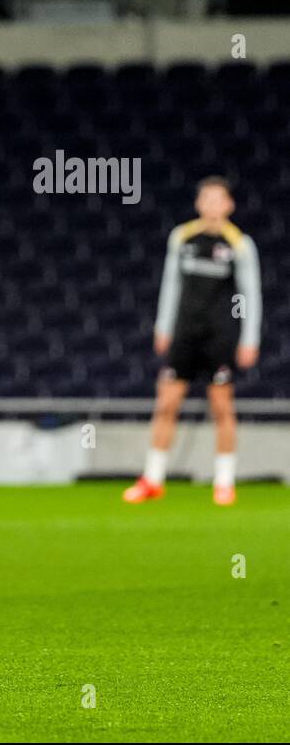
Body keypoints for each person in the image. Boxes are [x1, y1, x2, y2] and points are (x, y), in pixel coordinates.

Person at [124, 176, 261, 507]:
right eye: (207, 199)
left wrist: (249, 338)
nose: (213, 206)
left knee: (222, 408)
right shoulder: (182, 237)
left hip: (219, 337)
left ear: (230, 205)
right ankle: (153, 479)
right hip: (184, 335)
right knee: (167, 404)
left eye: (219, 200)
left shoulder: (239, 244)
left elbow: (250, 294)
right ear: (199, 204)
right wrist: (163, 326)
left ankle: (224, 482)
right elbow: (171, 284)